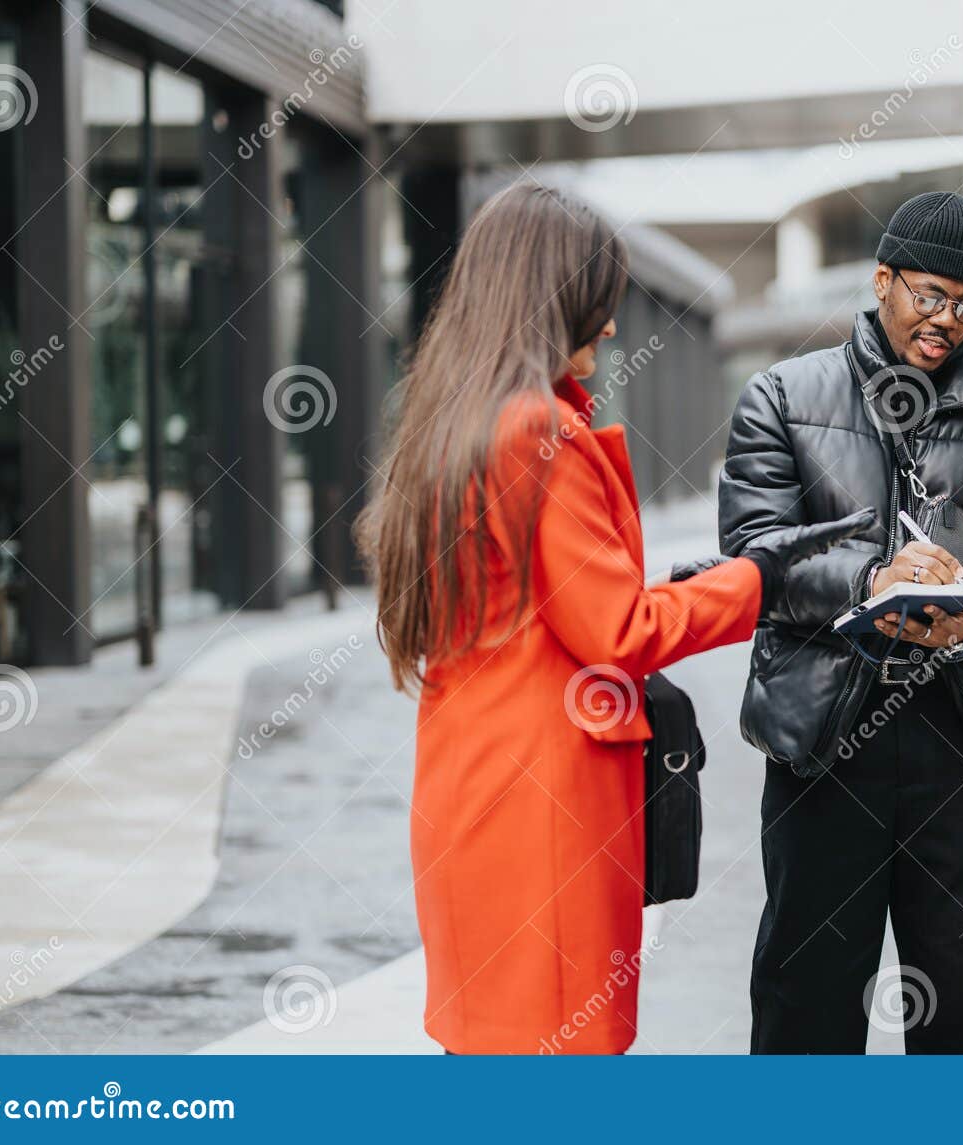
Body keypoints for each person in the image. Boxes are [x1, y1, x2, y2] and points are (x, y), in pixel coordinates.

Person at [355, 182, 870, 1055]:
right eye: (600, 302)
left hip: (474, 789)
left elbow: (537, 605)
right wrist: (759, 577)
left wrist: (704, 578)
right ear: (552, 299)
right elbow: (617, 631)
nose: (610, 326)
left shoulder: (454, 422)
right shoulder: (537, 431)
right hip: (545, 809)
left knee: (489, 1045)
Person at [719, 191, 963, 1053]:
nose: (946, 320)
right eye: (929, 294)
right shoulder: (780, 396)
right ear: (883, 279)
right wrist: (875, 577)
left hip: (958, 741)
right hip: (823, 742)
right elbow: (755, 555)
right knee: (807, 1007)